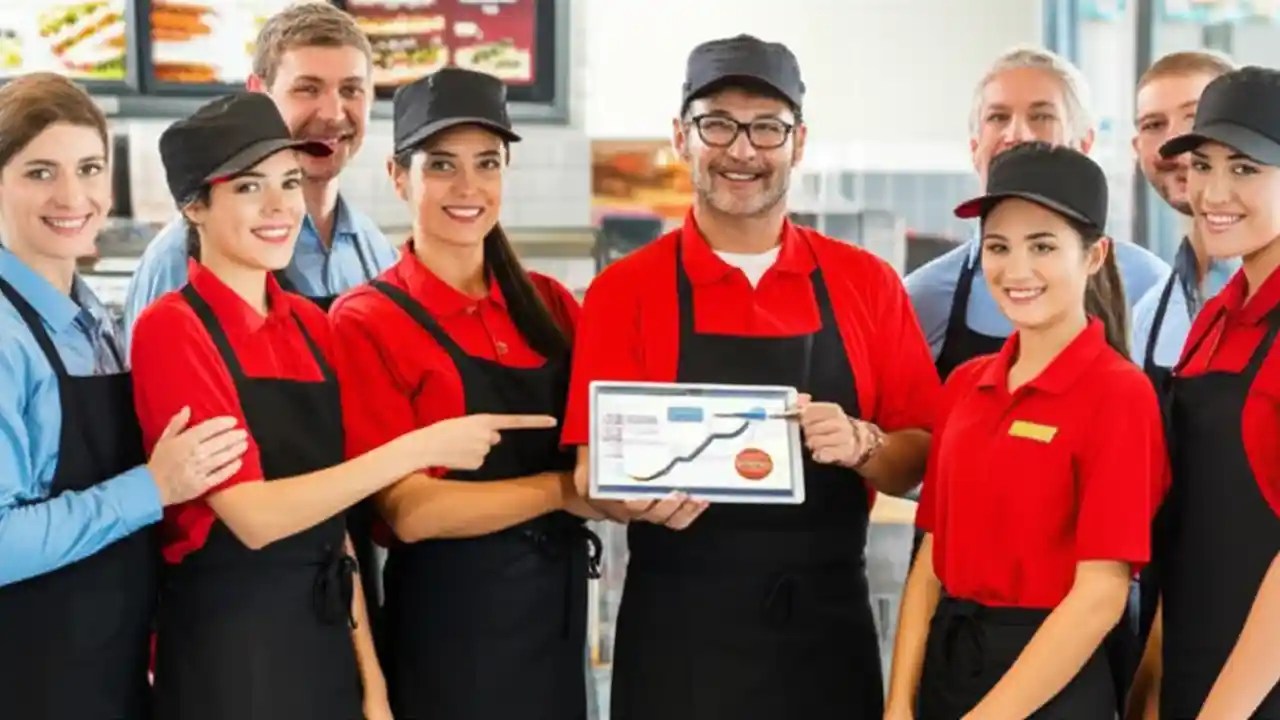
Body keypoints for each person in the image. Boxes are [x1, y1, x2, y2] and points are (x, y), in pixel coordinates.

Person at [129, 91, 555, 720]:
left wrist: (372, 686)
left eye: (290, 182)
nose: (280, 207)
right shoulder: (172, 329)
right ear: (195, 205)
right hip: (231, 650)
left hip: (325, 638)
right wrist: (416, 448)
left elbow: (337, 534)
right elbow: (253, 517)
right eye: (250, 187)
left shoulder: (309, 323)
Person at [562, 34, 942, 719]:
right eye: (717, 124)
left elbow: (919, 462)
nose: (742, 150)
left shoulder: (866, 284)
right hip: (677, 641)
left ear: (798, 142)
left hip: (826, 637)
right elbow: (592, 473)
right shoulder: (625, 292)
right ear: (682, 137)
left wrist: (864, 444)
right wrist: (628, 499)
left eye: (767, 127)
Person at [329, 67, 600, 720]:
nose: (468, 186)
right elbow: (413, 512)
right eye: (442, 164)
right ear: (399, 178)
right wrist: (567, 492)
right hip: (450, 639)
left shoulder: (551, 306)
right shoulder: (367, 320)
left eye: (487, 163)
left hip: (557, 624)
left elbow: (609, 445)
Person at [886, 141, 1168, 719]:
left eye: (1043, 246)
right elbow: (930, 562)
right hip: (948, 666)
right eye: (998, 246)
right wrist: (898, 703)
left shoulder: (1118, 394)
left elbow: (1100, 596)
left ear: (1094, 255)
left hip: (1053, 681)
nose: (1016, 270)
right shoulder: (965, 386)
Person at [0, 73, 250, 719]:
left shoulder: (95, 323)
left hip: (107, 667)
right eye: (39, 173)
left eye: (89, 168)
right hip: (31, 675)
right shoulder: (5, 337)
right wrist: (152, 488)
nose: (73, 196)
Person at [1131, 66, 1280, 720]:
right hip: (1196, 666)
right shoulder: (1217, 313)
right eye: (1202, 165)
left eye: (1245, 168)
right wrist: (1153, 676)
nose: (1213, 192)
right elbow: (1186, 525)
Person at [907, 45, 1170, 382]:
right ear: (974, 150)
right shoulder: (924, 297)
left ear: (1084, 145)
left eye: (1041, 116)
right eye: (998, 117)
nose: (1017, 134)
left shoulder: (1149, 284)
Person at [123, 2, 396, 326]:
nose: (333, 113)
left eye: (351, 89)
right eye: (307, 89)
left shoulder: (375, 249)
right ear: (257, 93)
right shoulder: (184, 254)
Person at [1126, 48, 1239, 667]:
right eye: (1152, 126)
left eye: (1193, 116)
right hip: (1175, 631)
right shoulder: (1150, 313)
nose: (1173, 145)